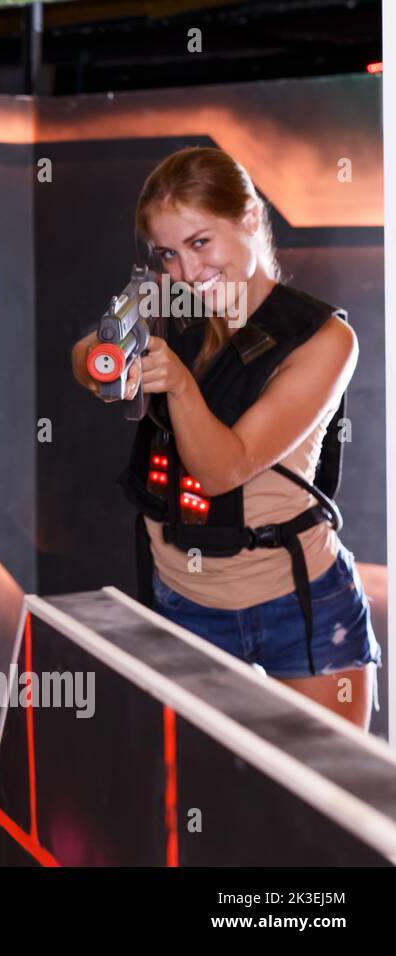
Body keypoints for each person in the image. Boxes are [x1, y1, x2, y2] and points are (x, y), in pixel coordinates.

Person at [71, 146, 381, 729]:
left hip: (299, 598)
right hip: (185, 598)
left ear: (251, 220)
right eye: (167, 253)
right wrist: (105, 359)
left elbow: (221, 469)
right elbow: (84, 354)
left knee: (319, 805)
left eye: (199, 243)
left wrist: (179, 384)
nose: (186, 272)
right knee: (199, 807)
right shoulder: (169, 300)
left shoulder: (324, 338)